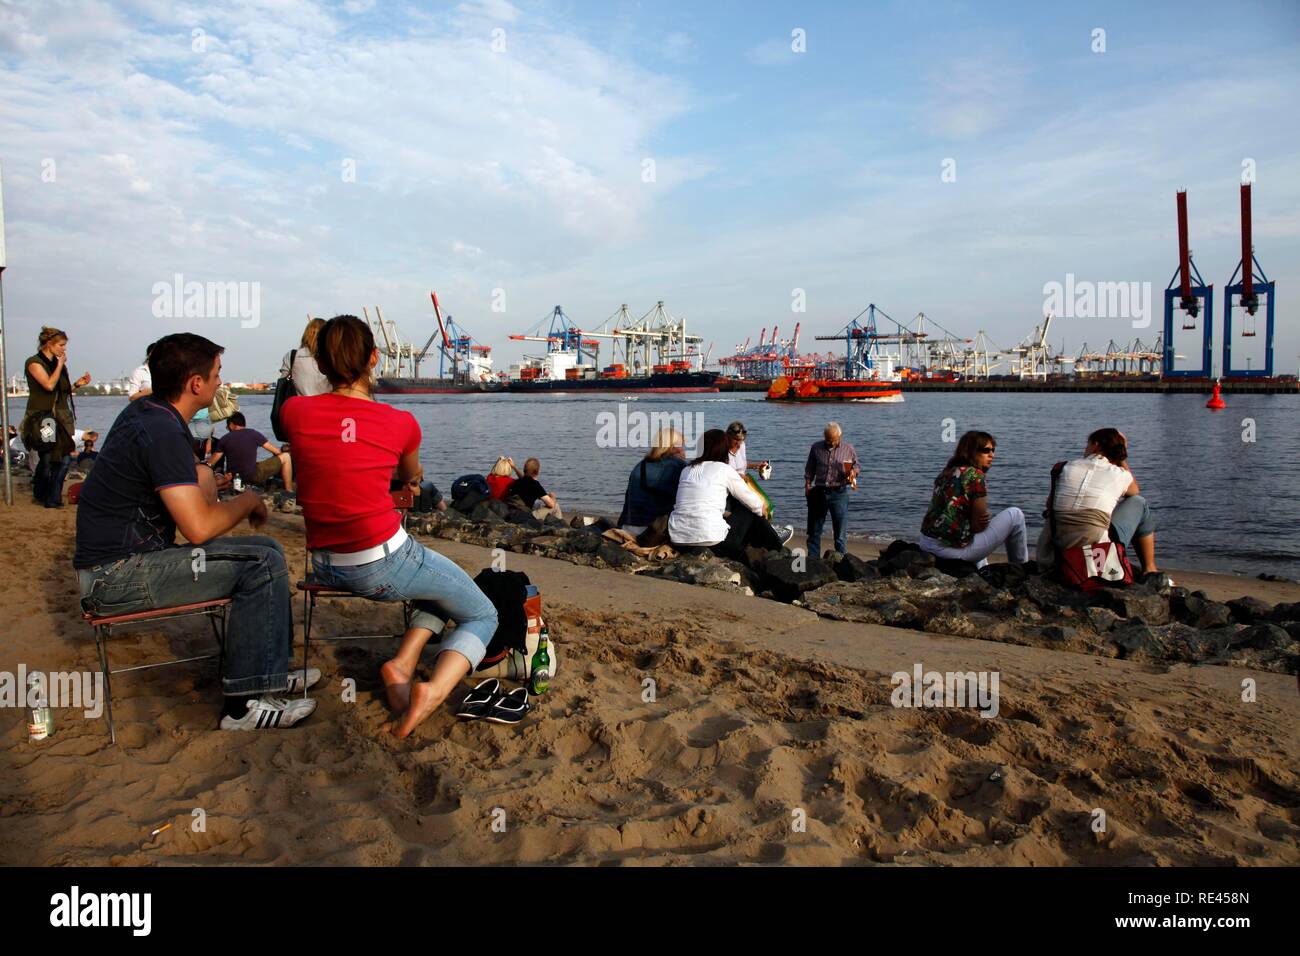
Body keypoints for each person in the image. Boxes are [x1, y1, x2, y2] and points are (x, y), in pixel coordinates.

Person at [74, 332, 318, 731]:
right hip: (115, 577)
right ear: (196, 384)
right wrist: (248, 502)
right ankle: (243, 707)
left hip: (117, 567)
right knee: (260, 563)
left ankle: (268, 669)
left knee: (268, 549)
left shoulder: (149, 413)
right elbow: (199, 529)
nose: (222, 382)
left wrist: (205, 476)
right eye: (218, 374)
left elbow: (189, 481)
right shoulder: (163, 430)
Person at [281, 314, 498, 739]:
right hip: (379, 564)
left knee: (438, 582)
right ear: (375, 359)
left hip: (324, 562)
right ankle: (433, 690)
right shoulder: (400, 423)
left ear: (321, 365)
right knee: (481, 613)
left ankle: (400, 665)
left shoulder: (294, 412)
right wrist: (408, 477)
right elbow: (412, 475)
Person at [1042, 427, 1164, 582]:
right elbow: (1134, 491)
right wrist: (1121, 459)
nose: (1085, 449)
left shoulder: (1062, 468)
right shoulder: (1119, 474)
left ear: (1096, 445)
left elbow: (1049, 504)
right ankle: (1149, 569)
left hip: (1055, 552)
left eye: (1087, 444)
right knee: (1139, 503)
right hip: (1095, 557)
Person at [669, 428, 794, 559]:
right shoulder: (724, 469)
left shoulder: (687, 470)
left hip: (678, 539)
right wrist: (762, 509)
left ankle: (769, 542)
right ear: (724, 449)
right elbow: (754, 503)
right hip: (712, 542)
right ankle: (778, 547)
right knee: (749, 510)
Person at [919, 430, 1027, 567]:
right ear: (971, 451)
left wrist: (975, 518)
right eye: (986, 450)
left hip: (926, 544)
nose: (992, 455)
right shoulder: (976, 476)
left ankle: (981, 569)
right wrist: (982, 520)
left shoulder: (947, 471)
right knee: (1015, 514)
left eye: (993, 450)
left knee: (979, 532)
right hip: (950, 552)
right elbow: (977, 527)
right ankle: (1021, 567)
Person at [22, 326, 91, 508]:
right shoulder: (34, 363)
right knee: (46, 459)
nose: (63, 349)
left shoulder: (59, 365)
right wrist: (60, 365)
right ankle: (42, 493)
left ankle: (53, 497)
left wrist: (77, 384)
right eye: (61, 345)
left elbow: (61, 392)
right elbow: (49, 385)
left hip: (61, 418)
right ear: (48, 344)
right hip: (43, 419)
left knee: (65, 458)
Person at [618, 427, 688, 537]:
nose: (684, 450)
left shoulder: (640, 465)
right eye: (682, 446)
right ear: (673, 447)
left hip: (628, 526)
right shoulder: (678, 466)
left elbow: (628, 499)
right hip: (653, 531)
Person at [804, 421, 859, 557]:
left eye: (833, 440)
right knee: (814, 531)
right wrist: (807, 485)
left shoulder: (848, 448)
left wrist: (853, 473)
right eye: (828, 439)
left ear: (839, 436)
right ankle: (814, 561)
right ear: (824, 436)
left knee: (840, 532)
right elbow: (810, 468)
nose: (831, 443)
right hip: (819, 492)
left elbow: (856, 466)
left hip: (839, 492)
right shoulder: (816, 448)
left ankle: (841, 561)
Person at [207, 412, 293, 491]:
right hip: (252, 476)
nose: (228, 428)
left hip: (233, 479)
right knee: (286, 456)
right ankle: (289, 490)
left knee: (255, 464)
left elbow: (212, 462)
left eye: (227, 426)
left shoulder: (224, 439)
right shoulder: (254, 434)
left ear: (232, 424)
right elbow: (277, 452)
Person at [279, 317, 331, 397]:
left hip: (299, 407)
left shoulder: (292, 356)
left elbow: (282, 383)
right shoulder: (332, 357)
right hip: (326, 406)